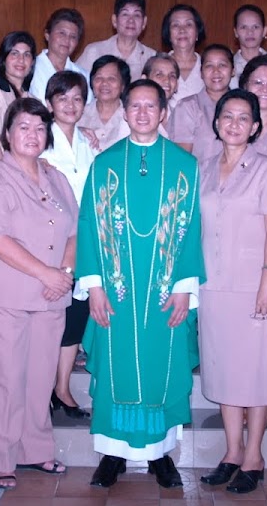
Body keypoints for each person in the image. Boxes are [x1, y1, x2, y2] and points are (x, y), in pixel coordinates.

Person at [77, 79, 204, 490]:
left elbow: (193, 231)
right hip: (116, 291)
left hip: (166, 289)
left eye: (152, 106)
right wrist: (95, 286)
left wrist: (184, 287)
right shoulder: (105, 164)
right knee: (117, 370)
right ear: (125, 111)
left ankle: (160, 455)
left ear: (164, 112)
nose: (144, 113)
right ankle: (112, 455)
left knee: (162, 367)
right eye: (136, 106)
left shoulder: (185, 166)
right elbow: (89, 229)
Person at [0, 97, 78, 490]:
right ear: (7, 134)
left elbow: (74, 230)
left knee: (39, 377)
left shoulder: (56, 177)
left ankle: (36, 450)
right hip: (7, 293)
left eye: (39, 128)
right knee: (6, 378)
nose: (32, 135)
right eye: (23, 127)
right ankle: (3, 458)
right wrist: (47, 274)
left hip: (51, 295)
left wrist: (64, 273)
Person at [196, 89, 267, 495]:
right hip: (213, 285)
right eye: (227, 116)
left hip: (254, 286)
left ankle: (254, 455)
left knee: (255, 372)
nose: (234, 123)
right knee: (223, 370)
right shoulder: (201, 168)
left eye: (243, 118)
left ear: (255, 127)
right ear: (217, 123)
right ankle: (231, 452)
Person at [39, 71, 97, 421]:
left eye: (77, 98)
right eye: (62, 98)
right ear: (50, 104)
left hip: (86, 239)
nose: (70, 105)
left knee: (75, 315)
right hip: (51, 241)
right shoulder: (39, 141)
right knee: (51, 315)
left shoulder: (89, 143)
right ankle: (43, 387)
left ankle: (62, 388)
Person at [0, 31, 36, 163]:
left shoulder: (31, 98)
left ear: (32, 62)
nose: (21, 60)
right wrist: (2, 179)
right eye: (14, 53)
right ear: (4, 59)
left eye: (27, 55)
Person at [172, 43, 234, 160]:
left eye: (222, 65)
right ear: (201, 73)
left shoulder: (244, 106)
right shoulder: (187, 106)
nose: (216, 71)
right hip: (201, 177)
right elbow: (181, 158)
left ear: (233, 71)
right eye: (209, 66)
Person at [76, 0, 156, 79]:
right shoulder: (94, 51)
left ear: (144, 22)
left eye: (136, 15)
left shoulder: (152, 58)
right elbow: (76, 83)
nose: (131, 20)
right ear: (114, 20)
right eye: (125, 14)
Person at [28, 8, 89, 102]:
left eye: (73, 36)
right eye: (62, 33)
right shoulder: (30, 68)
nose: (67, 40)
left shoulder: (83, 75)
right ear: (47, 34)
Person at [77, 55, 131, 151]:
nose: (104, 83)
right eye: (99, 78)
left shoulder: (133, 116)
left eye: (111, 79)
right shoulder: (77, 114)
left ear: (123, 85)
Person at [160, 4, 206, 102]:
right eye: (175, 25)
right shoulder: (156, 67)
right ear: (168, 34)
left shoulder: (208, 67)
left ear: (197, 33)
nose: (182, 30)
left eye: (188, 24)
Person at [231, 4, 267, 88]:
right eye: (244, 27)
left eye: (255, 27)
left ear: (264, 31)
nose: (250, 32)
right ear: (236, 32)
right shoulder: (229, 66)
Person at [144, 53, 181, 136]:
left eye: (172, 76)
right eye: (159, 75)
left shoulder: (181, 116)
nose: (167, 80)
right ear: (144, 79)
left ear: (177, 85)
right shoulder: (134, 115)